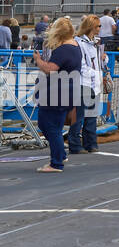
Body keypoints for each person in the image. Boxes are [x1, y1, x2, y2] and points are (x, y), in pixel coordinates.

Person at [33, 17, 80, 172]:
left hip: (56, 93)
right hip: (69, 91)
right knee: (56, 126)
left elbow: (50, 69)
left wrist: (38, 60)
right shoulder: (75, 46)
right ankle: (60, 154)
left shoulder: (62, 50)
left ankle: (56, 162)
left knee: (48, 125)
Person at [68, 15, 107, 155]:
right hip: (83, 83)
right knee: (79, 117)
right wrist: (96, 74)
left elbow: (98, 62)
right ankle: (75, 145)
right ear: (91, 27)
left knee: (91, 116)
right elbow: (81, 66)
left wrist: (104, 58)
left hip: (93, 84)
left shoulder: (95, 43)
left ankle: (91, 143)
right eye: (98, 26)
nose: (100, 29)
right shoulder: (80, 43)